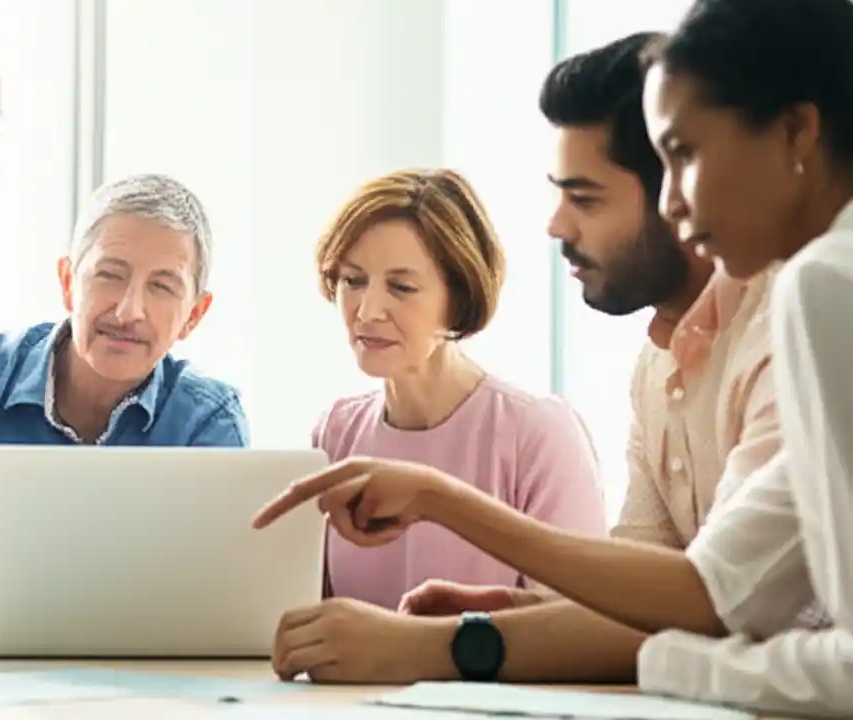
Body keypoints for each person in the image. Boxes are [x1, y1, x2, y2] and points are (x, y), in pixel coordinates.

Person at [255, 1, 853, 714]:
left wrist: (454, 608)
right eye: (351, 281)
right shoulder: (659, 368)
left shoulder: (820, 286)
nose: (677, 202)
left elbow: (726, 615)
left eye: (685, 157)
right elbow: (697, 592)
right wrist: (512, 619)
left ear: (795, 132)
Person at [385, 33, 789, 685]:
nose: (557, 226)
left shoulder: (783, 334)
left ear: (679, 189)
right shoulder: (656, 368)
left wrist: (441, 517)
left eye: (585, 198)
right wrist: (512, 616)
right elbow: (645, 600)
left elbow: (718, 600)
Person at [0, 173, 248, 569]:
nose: (129, 312)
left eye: (161, 287)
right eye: (110, 275)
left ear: (193, 315)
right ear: (68, 282)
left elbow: (219, 584)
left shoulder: (207, 423)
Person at [302, 168, 605, 615]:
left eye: (401, 287)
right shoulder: (336, 431)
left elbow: (580, 622)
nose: (367, 311)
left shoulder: (537, 432)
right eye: (353, 280)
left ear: (459, 299)